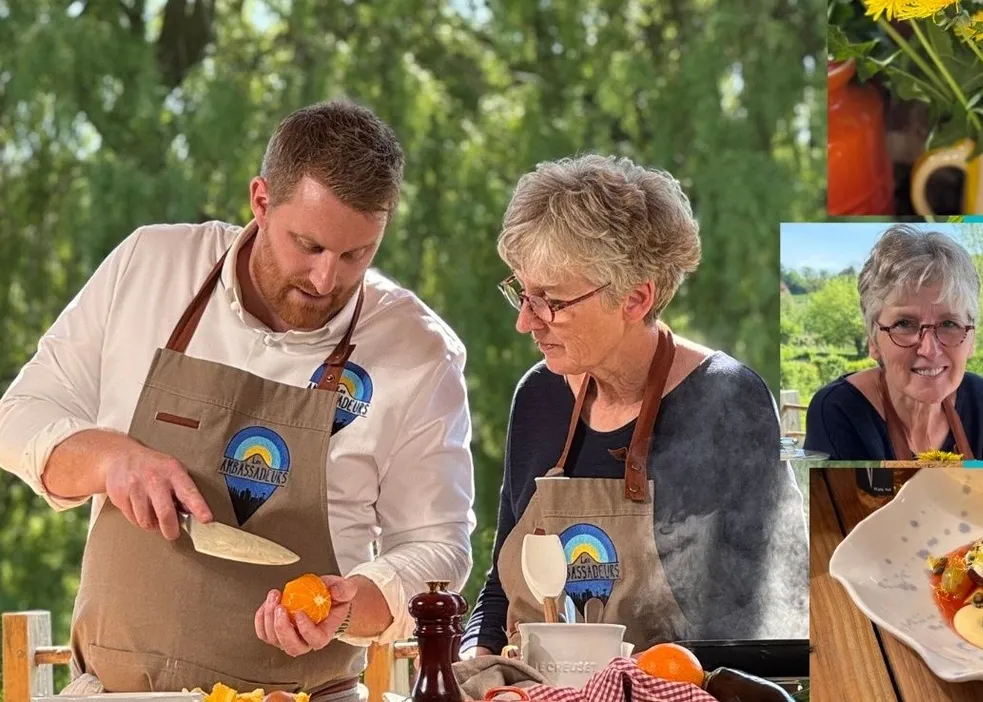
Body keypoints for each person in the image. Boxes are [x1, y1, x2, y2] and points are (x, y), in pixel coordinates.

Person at [0, 100, 476, 696]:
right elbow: (16, 417)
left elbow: (439, 544)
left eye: (355, 254)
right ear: (260, 200)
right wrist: (111, 459)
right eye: (308, 245)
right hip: (119, 692)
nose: (326, 279)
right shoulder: (150, 266)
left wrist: (358, 605)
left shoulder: (418, 351)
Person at [459, 154, 809, 658]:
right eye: (523, 293)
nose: (526, 321)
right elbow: (500, 591)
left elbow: (752, 623)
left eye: (551, 301)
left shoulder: (727, 401)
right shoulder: (537, 396)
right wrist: (475, 662)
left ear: (635, 299)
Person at [802, 225, 983, 471]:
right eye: (904, 324)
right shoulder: (838, 411)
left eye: (949, 323)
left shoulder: (981, 400)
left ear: (971, 339)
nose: (929, 350)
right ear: (873, 341)